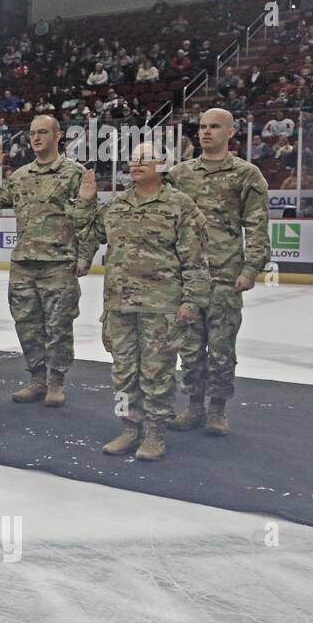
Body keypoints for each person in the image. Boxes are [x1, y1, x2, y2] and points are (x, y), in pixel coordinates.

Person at [75, 144, 209, 460]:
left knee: (156, 373)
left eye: (144, 159)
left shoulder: (180, 205)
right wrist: (85, 202)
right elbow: (87, 232)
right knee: (123, 373)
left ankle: (154, 434)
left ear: (162, 165)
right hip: (120, 305)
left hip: (161, 307)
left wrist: (191, 301)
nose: (136, 164)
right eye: (132, 159)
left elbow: (195, 259)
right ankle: (129, 428)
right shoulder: (118, 204)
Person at [165, 107, 270, 434]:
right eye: (202, 126)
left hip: (226, 276)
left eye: (214, 126)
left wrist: (252, 267)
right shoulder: (181, 174)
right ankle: (194, 407)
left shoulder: (246, 174)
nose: (206, 132)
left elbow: (256, 225)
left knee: (222, 349)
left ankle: (218, 411)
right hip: (187, 279)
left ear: (230, 131)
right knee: (191, 349)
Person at [0, 117, 88, 407]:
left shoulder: (74, 173)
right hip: (24, 263)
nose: (36, 138)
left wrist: (85, 255)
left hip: (59, 263)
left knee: (58, 327)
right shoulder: (20, 175)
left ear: (58, 136)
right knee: (27, 325)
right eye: (32, 133)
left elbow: (88, 217)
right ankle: (37, 378)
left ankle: (56, 382)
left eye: (43, 132)